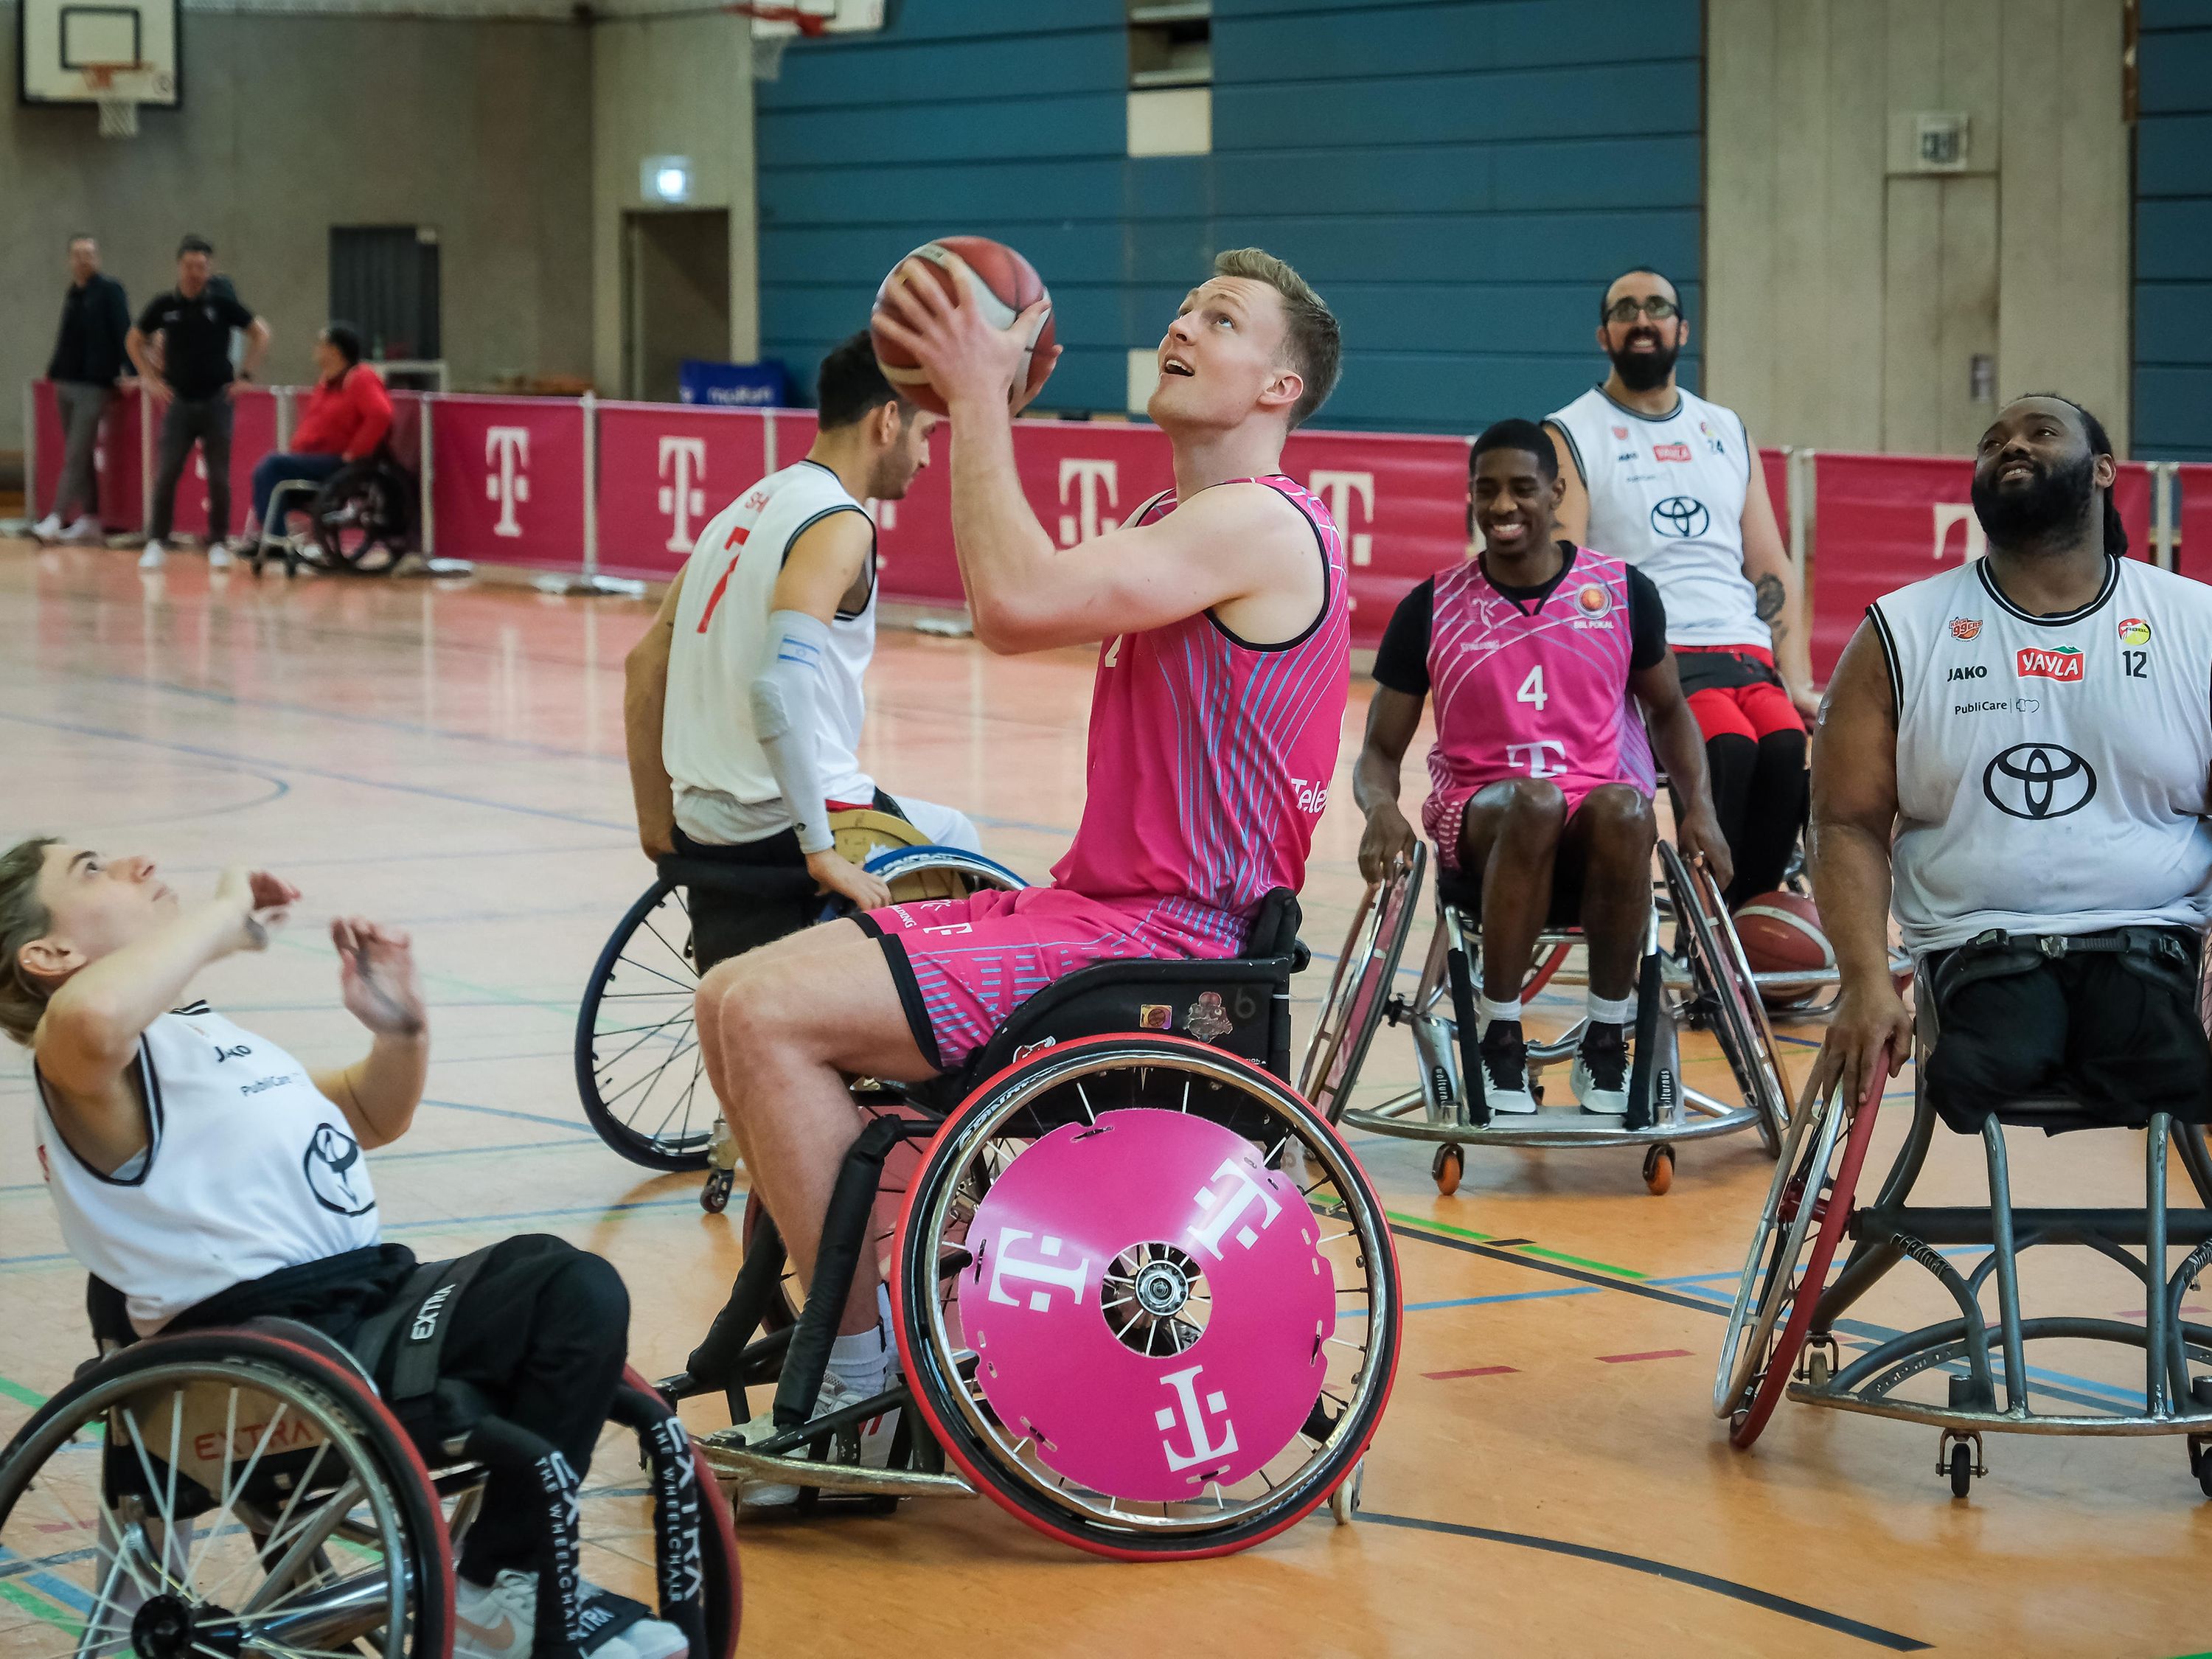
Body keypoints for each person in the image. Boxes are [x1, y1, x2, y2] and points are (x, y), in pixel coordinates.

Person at [691, 247, 1349, 1481]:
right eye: (1184, 303)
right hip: (1100, 912)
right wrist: (981, 400)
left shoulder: (1259, 523)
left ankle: (863, 1371)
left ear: (1281, 389)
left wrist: (980, 392)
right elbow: (1026, 592)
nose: (1183, 325)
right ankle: (883, 1323)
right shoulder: (1176, 520)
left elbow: (1014, 605)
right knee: (732, 996)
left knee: (772, 1017)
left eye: (1223, 319)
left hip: (1174, 941)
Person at [0, 838, 686, 1659]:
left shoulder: (204, 1040)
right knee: (566, 1288)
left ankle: (496, 1582)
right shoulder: (81, 1057)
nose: (138, 863)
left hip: (359, 1306)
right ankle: (494, 1597)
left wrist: (401, 1031)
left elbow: (367, 1113)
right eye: (91, 869)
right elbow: (90, 1015)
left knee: (563, 1287)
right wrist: (226, 917)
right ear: (49, 953)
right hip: (277, 1342)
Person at [1809, 394, 2212, 1134]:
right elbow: (1844, 824)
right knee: (1981, 1068)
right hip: (1978, 952)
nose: (2011, 446)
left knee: (2170, 1068)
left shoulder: (2195, 624)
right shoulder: (1901, 631)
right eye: (1993, 441)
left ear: (2102, 472)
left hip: (2150, 944)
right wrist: (1866, 980)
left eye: (2040, 432)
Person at [1356, 419, 1730, 1116]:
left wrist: (1699, 809)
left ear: (1555, 492)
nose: (1503, 507)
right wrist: (1382, 810)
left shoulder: (1622, 592)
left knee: (1625, 806)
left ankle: (1606, 1041)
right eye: (1486, 490)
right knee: (1533, 801)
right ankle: (1501, 1039)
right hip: (1481, 816)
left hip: (1594, 823)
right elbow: (1379, 750)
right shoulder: (1432, 605)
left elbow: (1672, 711)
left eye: (1522, 488)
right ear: (1469, 497)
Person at [624, 330, 982, 970]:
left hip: (704, 821)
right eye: (928, 433)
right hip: (782, 823)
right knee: (960, 841)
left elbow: (644, 663)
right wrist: (818, 849)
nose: (929, 457)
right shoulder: (840, 522)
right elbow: (777, 687)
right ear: (887, 420)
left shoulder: (743, 508)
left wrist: (658, 825)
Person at [1545, 266, 1814, 908]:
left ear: (1681, 328)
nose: (1643, 320)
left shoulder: (1724, 429)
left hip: (1743, 648)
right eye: (1626, 310)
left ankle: (1747, 928)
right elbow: (1569, 571)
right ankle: (1714, 946)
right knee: (1729, 749)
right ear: (1604, 335)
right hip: (1655, 654)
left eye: (1657, 307)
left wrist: (1796, 675)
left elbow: (1770, 563)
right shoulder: (1571, 432)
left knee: (1785, 752)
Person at [128, 235, 270, 571]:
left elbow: (261, 332)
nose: (195, 272)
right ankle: (156, 542)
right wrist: (148, 377)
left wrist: (246, 375)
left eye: (201, 267)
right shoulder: (164, 305)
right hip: (179, 402)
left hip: (217, 400)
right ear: (179, 266)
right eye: (189, 265)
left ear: (210, 269)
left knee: (219, 476)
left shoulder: (221, 304)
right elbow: (134, 339)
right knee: (166, 474)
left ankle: (218, 542)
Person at [247, 321, 392, 540]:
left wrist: (355, 453)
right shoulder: (326, 383)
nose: (316, 349)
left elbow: (381, 415)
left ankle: (275, 538)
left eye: (320, 344)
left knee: (271, 465)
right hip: (314, 460)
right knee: (267, 474)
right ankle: (272, 535)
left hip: (338, 463)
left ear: (334, 351)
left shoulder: (360, 378)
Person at [33, 236, 132, 546]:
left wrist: (132, 371)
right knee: (82, 453)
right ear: (70, 261)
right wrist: (54, 367)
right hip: (67, 382)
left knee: (75, 451)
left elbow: (124, 330)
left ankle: (56, 516)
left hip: (95, 384)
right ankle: (90, 518)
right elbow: (66, 336)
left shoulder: (110, 291)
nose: (83, 260)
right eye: (77, 255)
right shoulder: (73, 294)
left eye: (89, 255)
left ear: (98, 258)